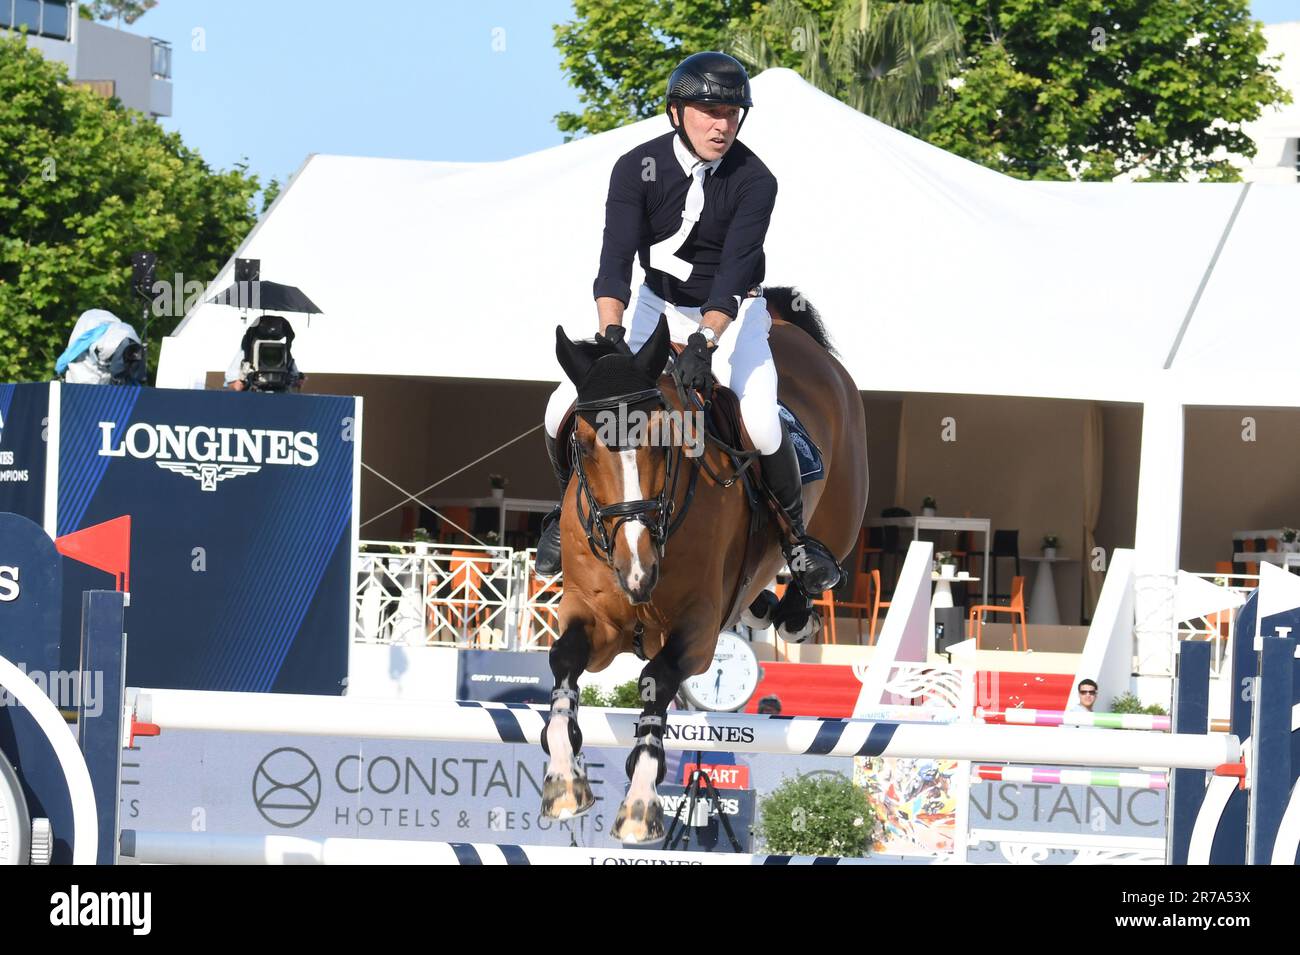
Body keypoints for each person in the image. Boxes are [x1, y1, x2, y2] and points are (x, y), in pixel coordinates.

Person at [536, 51, 841, 596]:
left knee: (763, 423)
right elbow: (615, 261)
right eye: (709, 112)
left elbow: (737, 268)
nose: (722, 125)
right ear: (677, 112)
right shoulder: (636, 168)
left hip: (734, 313)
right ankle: (562, 521)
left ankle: (795, 539)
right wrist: (610, 337)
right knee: (561, 406)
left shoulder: (755, 180)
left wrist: (706, 339)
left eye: (731, 113)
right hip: (653, 306)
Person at [55, 308, 147, 385]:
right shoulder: (106, 342)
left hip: (107, 341)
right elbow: (77, 347)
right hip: (88, 368)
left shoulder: (129, 342)